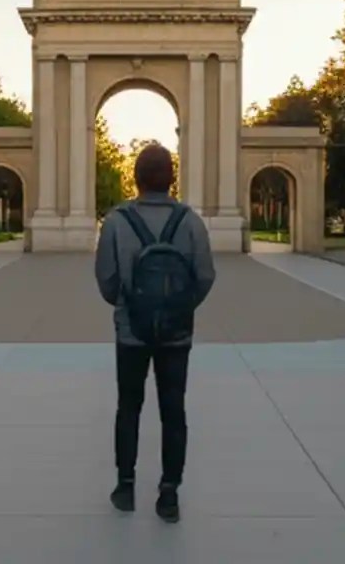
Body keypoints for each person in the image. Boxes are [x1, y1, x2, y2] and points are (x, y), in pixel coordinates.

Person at [94, 144, 216, 523]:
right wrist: (180, 307)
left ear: (136, 178)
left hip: (131, 331)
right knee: (173, 410)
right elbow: (206, 275)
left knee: (128, 407)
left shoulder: (116, 222)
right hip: (177, 335)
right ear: (172, 178)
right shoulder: (191, 222)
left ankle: (125, 486)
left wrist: (128, 304)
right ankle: (168, 494)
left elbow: (106, 279)